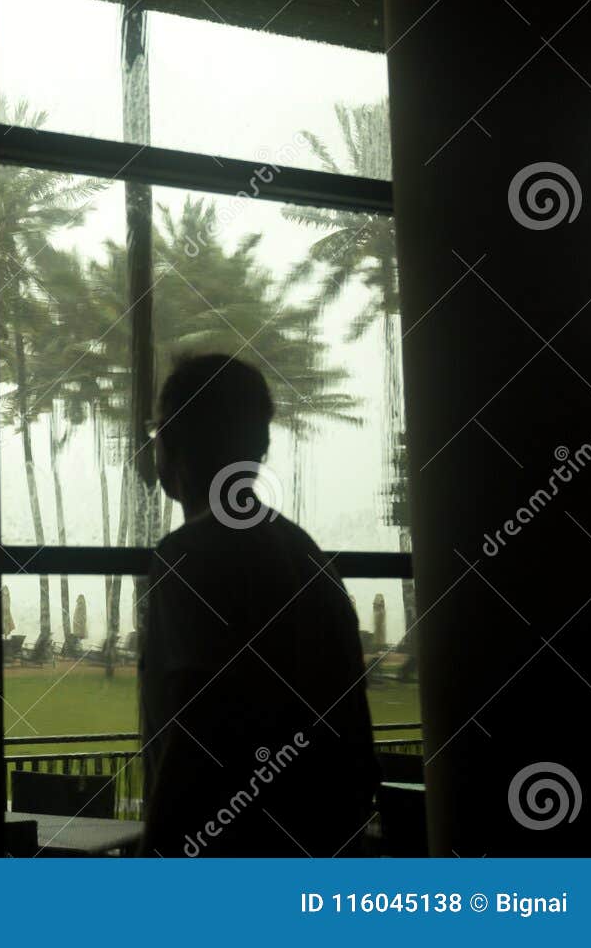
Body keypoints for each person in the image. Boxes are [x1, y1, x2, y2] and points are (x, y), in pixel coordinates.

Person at [138, 353, 378, 857]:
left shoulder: (188, 558)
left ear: (171, 445)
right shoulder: (304, 554)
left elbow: (196, 739)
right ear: (260, 447)